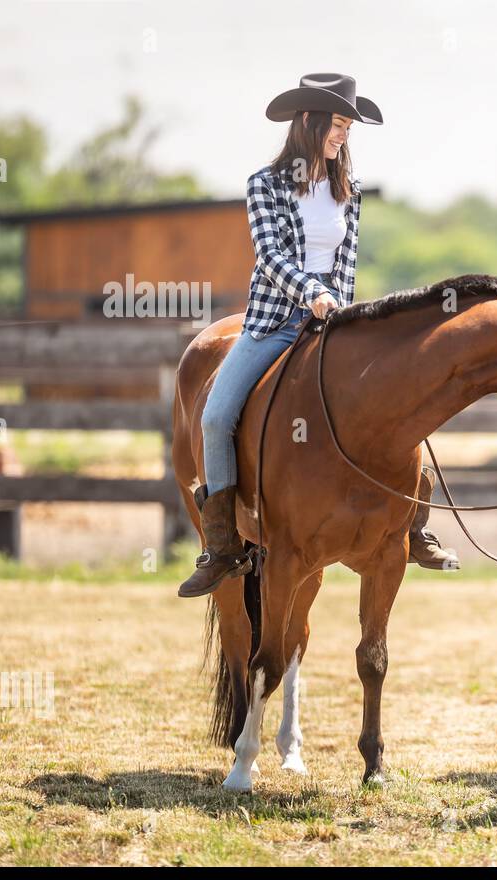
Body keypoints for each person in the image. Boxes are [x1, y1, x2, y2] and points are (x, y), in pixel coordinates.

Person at [179, 73, 457, 599]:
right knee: (216, 416)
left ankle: (414, 525)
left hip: (334, 324)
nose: (343, 136)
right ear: (309, 122)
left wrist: (344, 316)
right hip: (274, 323)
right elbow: (271, 256)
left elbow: (346, 265)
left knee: (402, 397)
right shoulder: (264, 183)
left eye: (349, 126)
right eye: (338, 124)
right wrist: (310, 292)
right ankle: (221, 545)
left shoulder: (347, 191)